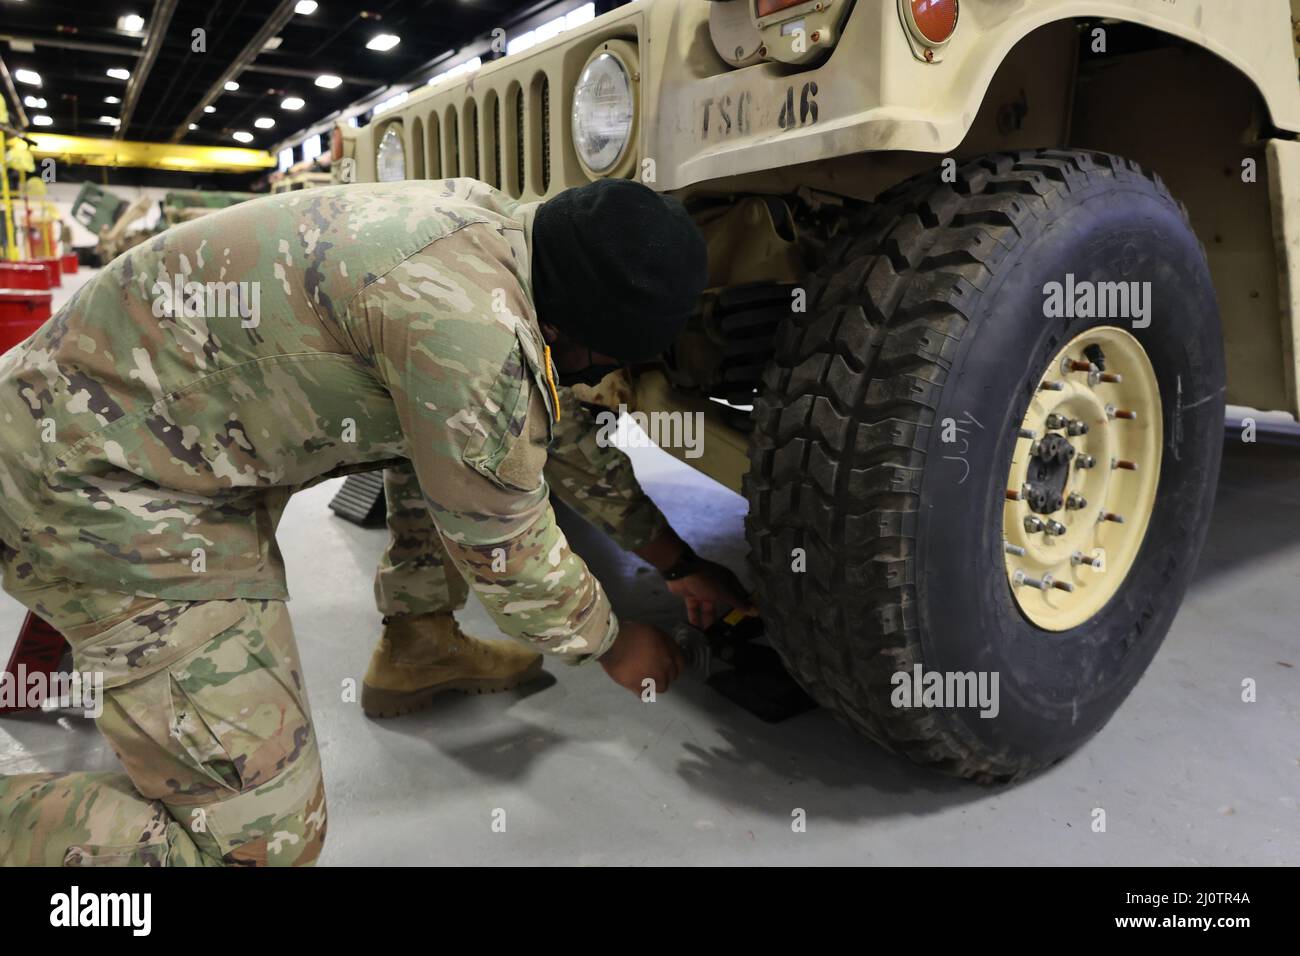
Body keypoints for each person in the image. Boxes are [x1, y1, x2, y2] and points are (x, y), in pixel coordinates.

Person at [0, 176, 749, 866]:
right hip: (97, 485)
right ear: (577, 332)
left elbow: (558, 441)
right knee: (253, 846)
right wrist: (615, 643)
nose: (594, 379)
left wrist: (678, 562)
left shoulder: (497, 234)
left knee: (439, 444)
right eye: (603, 361)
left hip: (135, 431)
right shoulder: (469, 335)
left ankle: (421, 643)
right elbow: (508, 552)